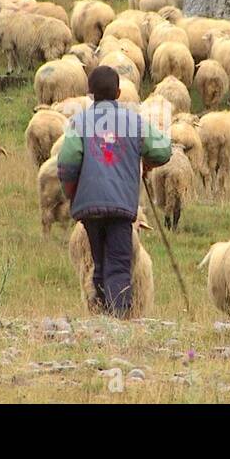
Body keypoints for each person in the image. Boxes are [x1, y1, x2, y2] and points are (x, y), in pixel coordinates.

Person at [57, 66, 171, 318]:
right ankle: (117, 320)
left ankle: (99, 316)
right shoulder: (134, 121)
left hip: (89, 208)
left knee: (99, 263)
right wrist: (146, 161)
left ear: (90, 94)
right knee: (119, 265)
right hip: (121, 207)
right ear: (119, 92)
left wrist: (72, 193)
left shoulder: (79, 122)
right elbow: (163, 150)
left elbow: (67, 162)